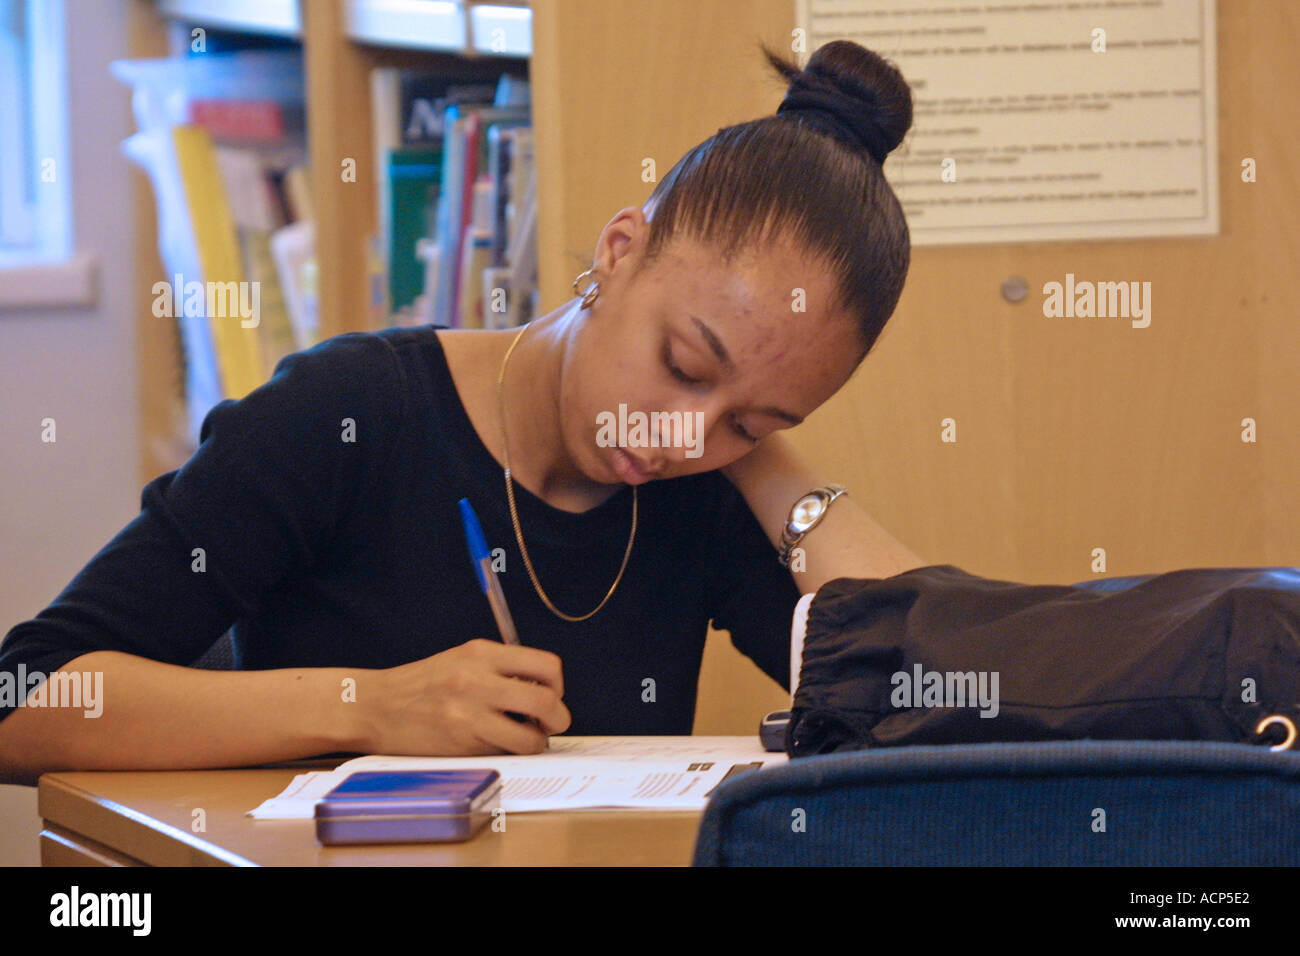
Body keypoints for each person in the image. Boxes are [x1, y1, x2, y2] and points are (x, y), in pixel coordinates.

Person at [0, 40, 925, 786]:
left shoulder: (698, 480)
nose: (686, 434)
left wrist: (764, 462)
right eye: (683, 365)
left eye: (752, 423)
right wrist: (367, 706)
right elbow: (23, 698)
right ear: (618, 250)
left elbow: (936, 699)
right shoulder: (346, 414)